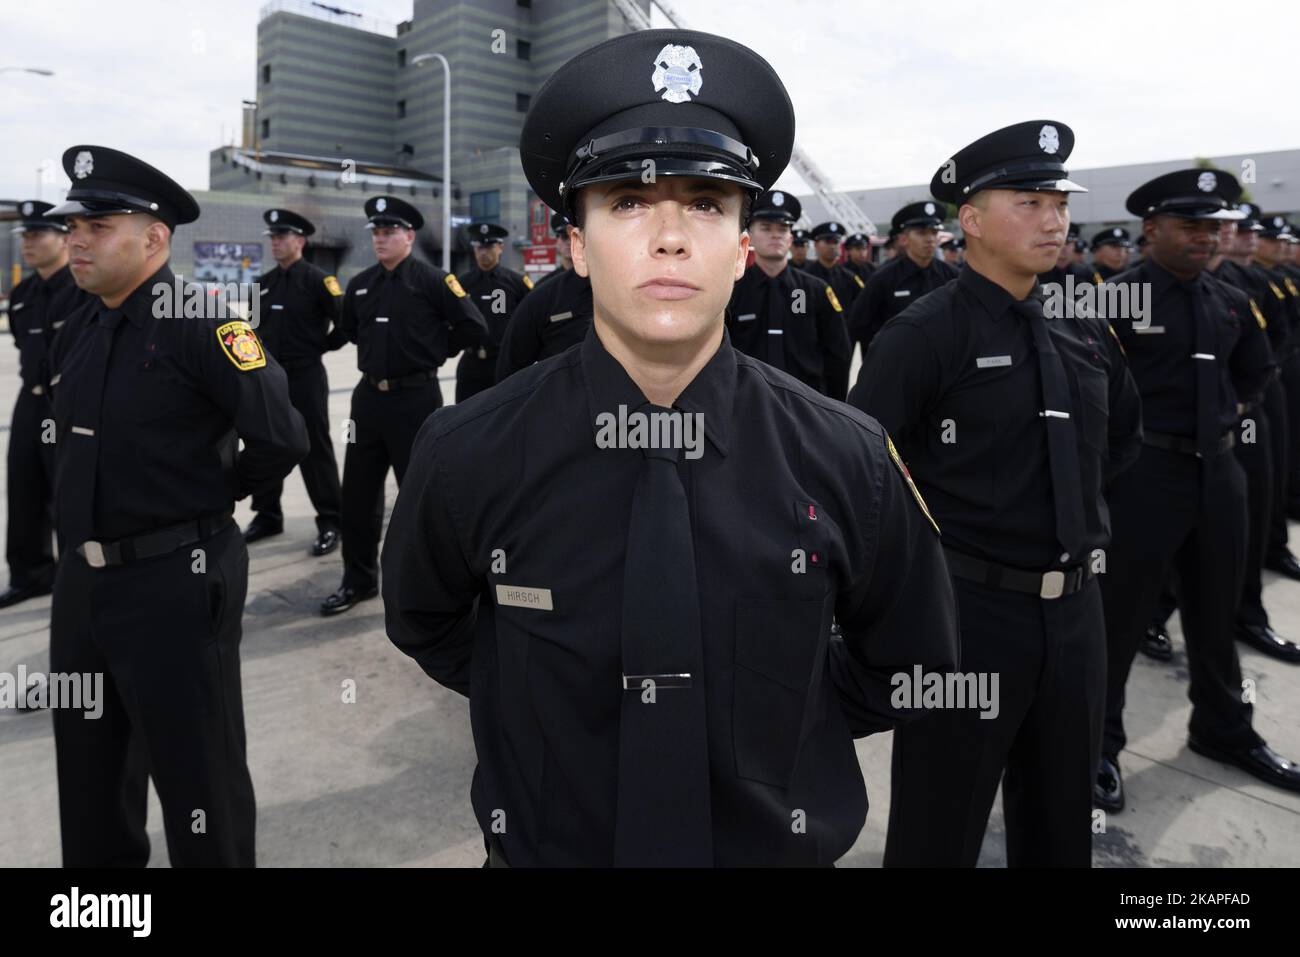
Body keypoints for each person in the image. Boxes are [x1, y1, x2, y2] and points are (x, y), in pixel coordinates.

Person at [381, 28, 959, 867]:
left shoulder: (847, 457)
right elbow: (425, 618)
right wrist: (538, 699)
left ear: (739, 245)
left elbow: (905, 655)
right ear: (575, 246)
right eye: (626, 202)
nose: (671, 237)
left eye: (705, 204)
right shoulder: (469, 451)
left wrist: (780, 713)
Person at [850, 120, 1143, 866]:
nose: (1055, 219)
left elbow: (1122, 439)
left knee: (1059, 823)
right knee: (937, 827)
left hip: (1078, 616)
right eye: (1029, 201)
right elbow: (859, 472)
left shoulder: (1083, 322)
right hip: (964, 625)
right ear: (971, 221)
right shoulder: (923, 334)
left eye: (1059, 202)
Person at [43, 145, 309, 865]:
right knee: (90, 785)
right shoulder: (83, 327)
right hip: (83, 586)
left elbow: (281, 433)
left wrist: (203, 498)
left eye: (98, 225)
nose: (76, 238)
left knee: (200, 787)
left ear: (154, 237)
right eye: (73, 225)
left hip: (174, 580)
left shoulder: (209, 320)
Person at [1096, 168, 1300, 814]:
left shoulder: (1230, 299)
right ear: (1150, 229)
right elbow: (1084, 394)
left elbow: (1258, 372)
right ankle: (1097, 747)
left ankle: (1223, 726)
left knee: (1216, 618)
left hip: (1217, 477)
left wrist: (1217, 424)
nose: (1205, 238)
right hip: (1141, 482)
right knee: (1119, 623)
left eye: (1213, 227)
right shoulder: (1114, 300)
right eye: (1190, 225)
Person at [320, 195, 486, 615]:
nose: (381, 239)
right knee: (357, 495)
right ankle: (358, 582)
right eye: (376, 232)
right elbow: (350, 330)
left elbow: (473, 326)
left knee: (419, 497)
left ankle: (427, 589)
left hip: (416, 400)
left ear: (409, 236)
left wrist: (433, 352)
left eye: (389, 231)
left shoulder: (433, 281)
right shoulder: (359, 285)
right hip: (368, 400)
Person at [1, 201, 92, 608]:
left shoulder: (81, 291)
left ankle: (79, 580)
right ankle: (31, 574)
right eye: (26, 237)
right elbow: (24, 343)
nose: (28, 244)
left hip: (68, 404)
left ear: (62, 239)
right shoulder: (22, 294)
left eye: (38, 235)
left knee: (71, 490)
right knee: (23, 487)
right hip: (30, 401)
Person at [242, 208, 345, 556]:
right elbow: (251, 332)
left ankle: (331, 520)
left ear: (299, 241)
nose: (275, 243)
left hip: (306, 376)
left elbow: (345, 323)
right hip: (269, 379)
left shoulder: (319, 281)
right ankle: (267, 515)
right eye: (272, 237)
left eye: (281, 237)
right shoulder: (262, 284)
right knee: (266, 443)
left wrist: (322, 346)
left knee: (314, 448)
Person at [725, 189, 851, 398]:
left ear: (790, 238)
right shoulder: (732, 290)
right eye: (766, 228)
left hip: (805, 403)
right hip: (745, 400)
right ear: (750, 238)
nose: (775, 235)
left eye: (783, 229)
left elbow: (837, 354)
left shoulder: (815, 290)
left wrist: (836, 409)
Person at [846, 201, 959, 356]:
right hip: (898, 363)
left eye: (933, 232)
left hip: (942, 363)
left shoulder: (952, 276)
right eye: (921, 233)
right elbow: (858, 324)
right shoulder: (883, 278)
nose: (929, 239)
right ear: (904, 239)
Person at [495, 214, 593, 383]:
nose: (568, 242)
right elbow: (512, 364)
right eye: (564, 237)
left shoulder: (615, 287)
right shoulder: (543, 293)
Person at [455, 222, 532, 402]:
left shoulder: (517, 283)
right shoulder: (462, 284)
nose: (483, 252)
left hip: (503, 362)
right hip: (471, 363)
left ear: (500, 247)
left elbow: (530, 322)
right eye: (479, 247)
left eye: (489, 246)